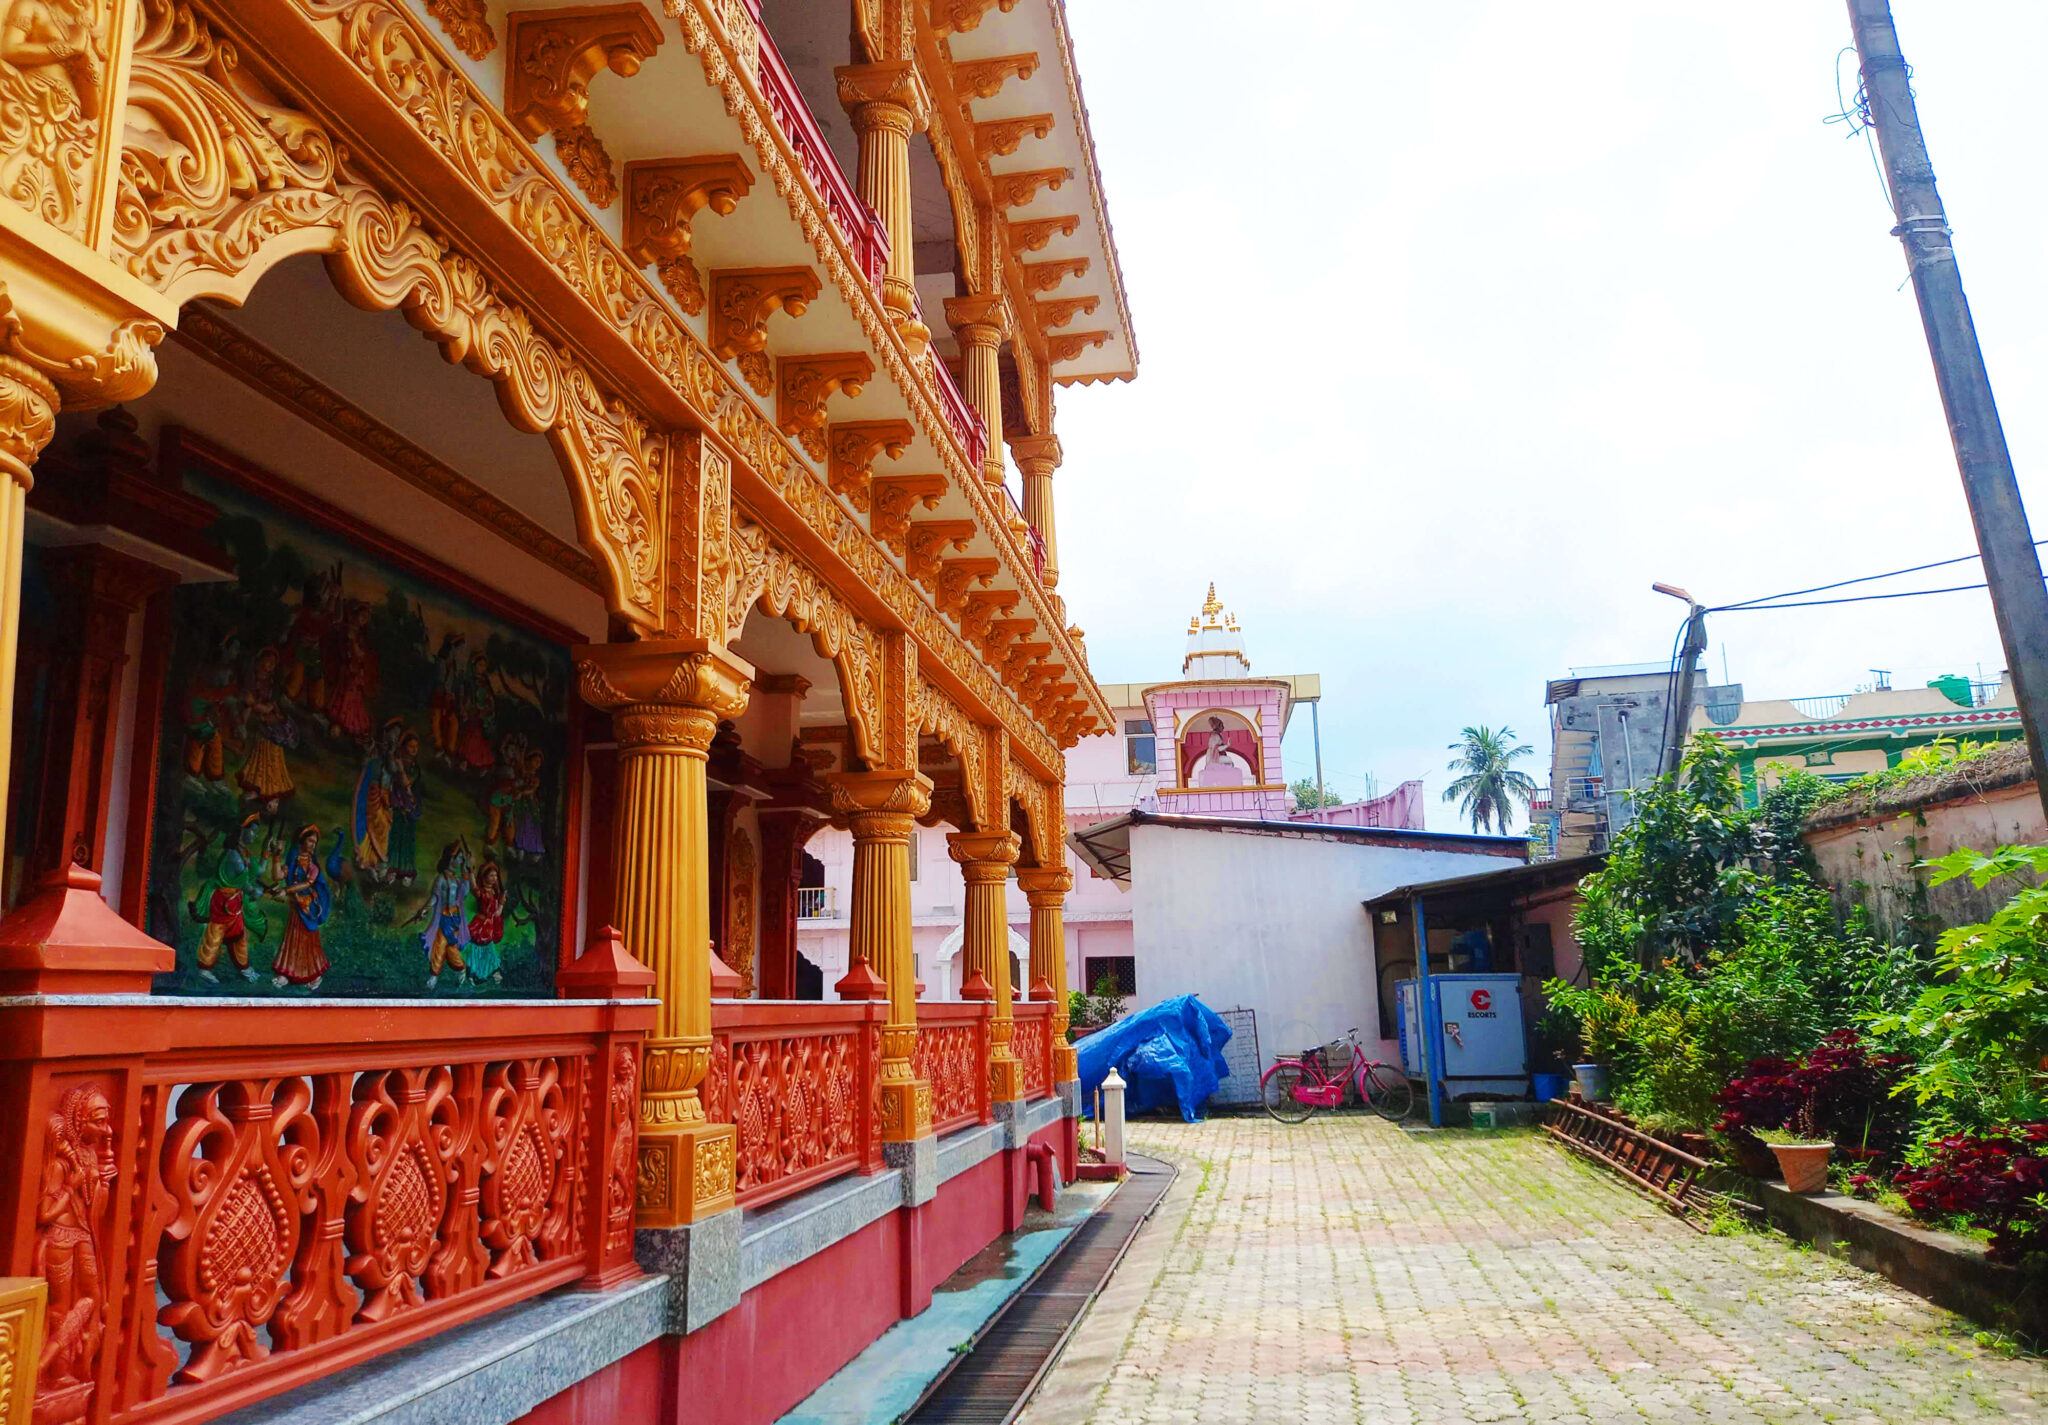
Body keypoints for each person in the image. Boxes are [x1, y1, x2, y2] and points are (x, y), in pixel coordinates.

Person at [191, 812, 263, 982]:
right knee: (215, 934)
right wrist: (255, 892)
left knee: (239, 936)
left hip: (235, 902)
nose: (255, 835)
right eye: (253, 831)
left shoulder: (244, 853)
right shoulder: (233, 855)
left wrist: (267, 852)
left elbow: (258, 871)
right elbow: (244, 881)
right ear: (242, 831)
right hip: (223, 901)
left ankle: (244, 968)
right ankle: (204, 968)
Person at [270, 824, 331, 989]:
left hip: (308, 908)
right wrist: (277, 856)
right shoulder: (293, 860)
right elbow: (277, 876)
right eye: (310, 841)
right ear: (302, 841)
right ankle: (288, 973)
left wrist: (286, 890)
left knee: (308, 941)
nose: (313, 845)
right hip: (296, 907)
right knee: (292, 938)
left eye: (315, 842)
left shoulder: (313, 865)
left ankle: (313, 974)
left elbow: (307, 883)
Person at [236, 646, 297, 806]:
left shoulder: (272, 684)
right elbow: (247, 700)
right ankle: (257, 788)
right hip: (254, 718)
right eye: (267, 662)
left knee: (274, 747)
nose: (268, 666)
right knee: (262, 750)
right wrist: (256, 708)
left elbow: (271, 706)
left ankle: (272, 792)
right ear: (259, 661)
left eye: (272, 664)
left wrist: (268, 711)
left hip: (267, 720)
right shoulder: (251, 680)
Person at [416, 839, 472, 989]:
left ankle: (457, 971)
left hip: (455, 919)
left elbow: (465, 893)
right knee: (441, 945)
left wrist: (465, 870)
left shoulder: (458, 880)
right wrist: (425, 909)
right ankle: (439, 974)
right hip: (444, 918)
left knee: (449, 946)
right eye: (459, 858)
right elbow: (434, 898)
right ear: (451, 859)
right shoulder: (440, 879)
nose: (460, 861)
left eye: (462, 859)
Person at [388, 728, 424, 885]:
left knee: (408, 838)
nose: (414, 749)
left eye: (416, 746)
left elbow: (406, 783)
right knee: (395, 837)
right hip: (397, 803)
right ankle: (393, 869)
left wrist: (402, 769)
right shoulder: (395, 764)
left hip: (411, 806)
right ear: (404, 747)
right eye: (411, 746)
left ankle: (407, 871)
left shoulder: (414, 768)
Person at [467, 857, 506, 985]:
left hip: (489, 927)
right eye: (491, 875)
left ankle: (492, 973)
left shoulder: (495, 893)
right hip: (480, 925)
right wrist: (470, 871)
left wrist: (501, 903)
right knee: (477, 949)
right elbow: (473, 887)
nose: (494, 878)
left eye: (496, 875)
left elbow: (497, 913)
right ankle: (473, 974)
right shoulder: (482, 892)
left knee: (489, 949)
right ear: (484, 877)